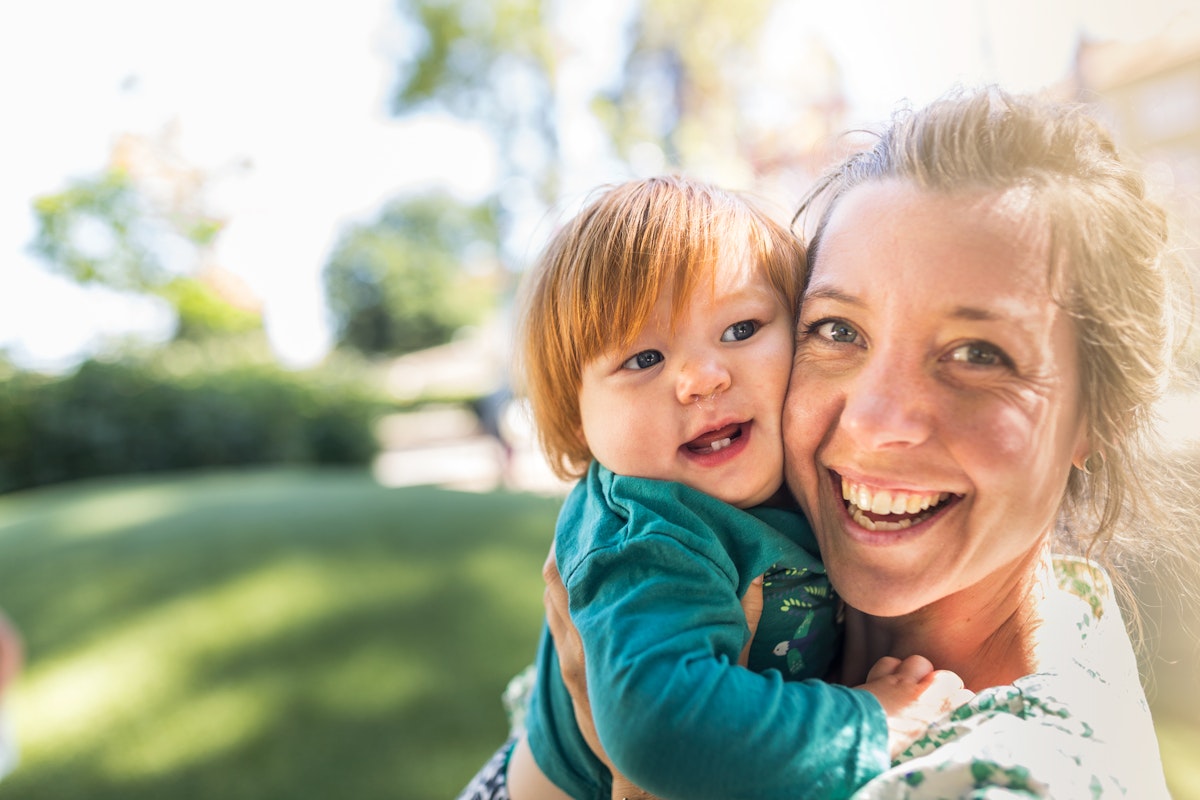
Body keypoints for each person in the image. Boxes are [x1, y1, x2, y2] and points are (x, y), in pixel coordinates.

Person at [543, 87, 1182, 798]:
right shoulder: (698, 546)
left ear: (1098, 416)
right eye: (838, 331)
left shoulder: (1009, 775)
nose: (877, 422)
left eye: (978, 354)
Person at [458, 176, 971, 800]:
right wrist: (865, 722)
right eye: (644, 359)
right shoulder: (648, 531)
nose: (702, 378)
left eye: (740, 329)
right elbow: (664, 732)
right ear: (577, 418)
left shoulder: (803, 484)